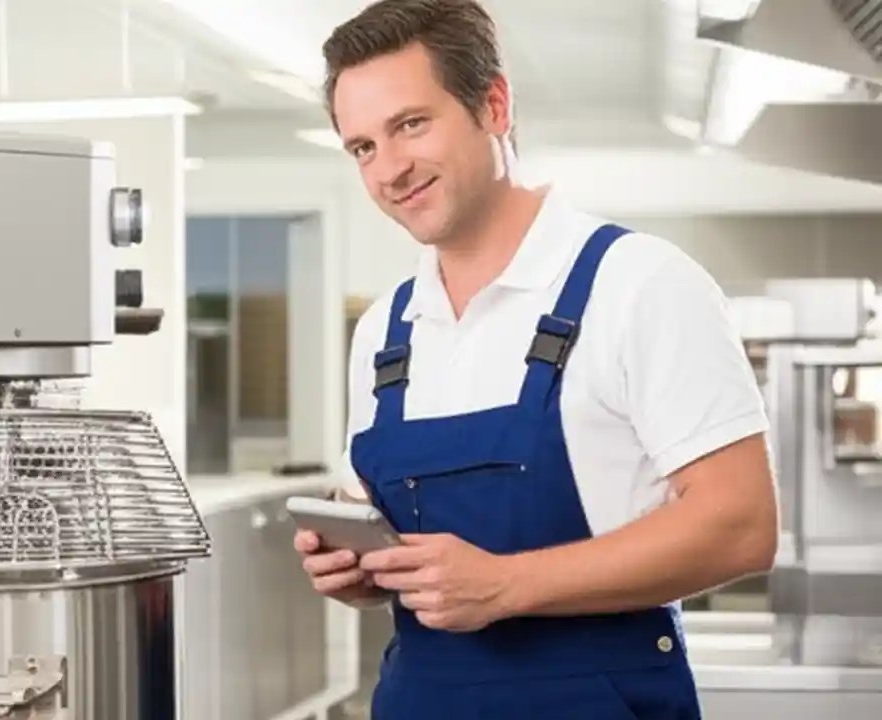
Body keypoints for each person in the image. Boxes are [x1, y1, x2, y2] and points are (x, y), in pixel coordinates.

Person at [292, 1, 779, 717]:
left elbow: (741, 525)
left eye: (410, 124)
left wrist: (506, 585)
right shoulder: (384, 331)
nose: (389, 169)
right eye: (363, 147)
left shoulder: (639, 283)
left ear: (493, 105)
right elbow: (398, 533)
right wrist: (363, 566)